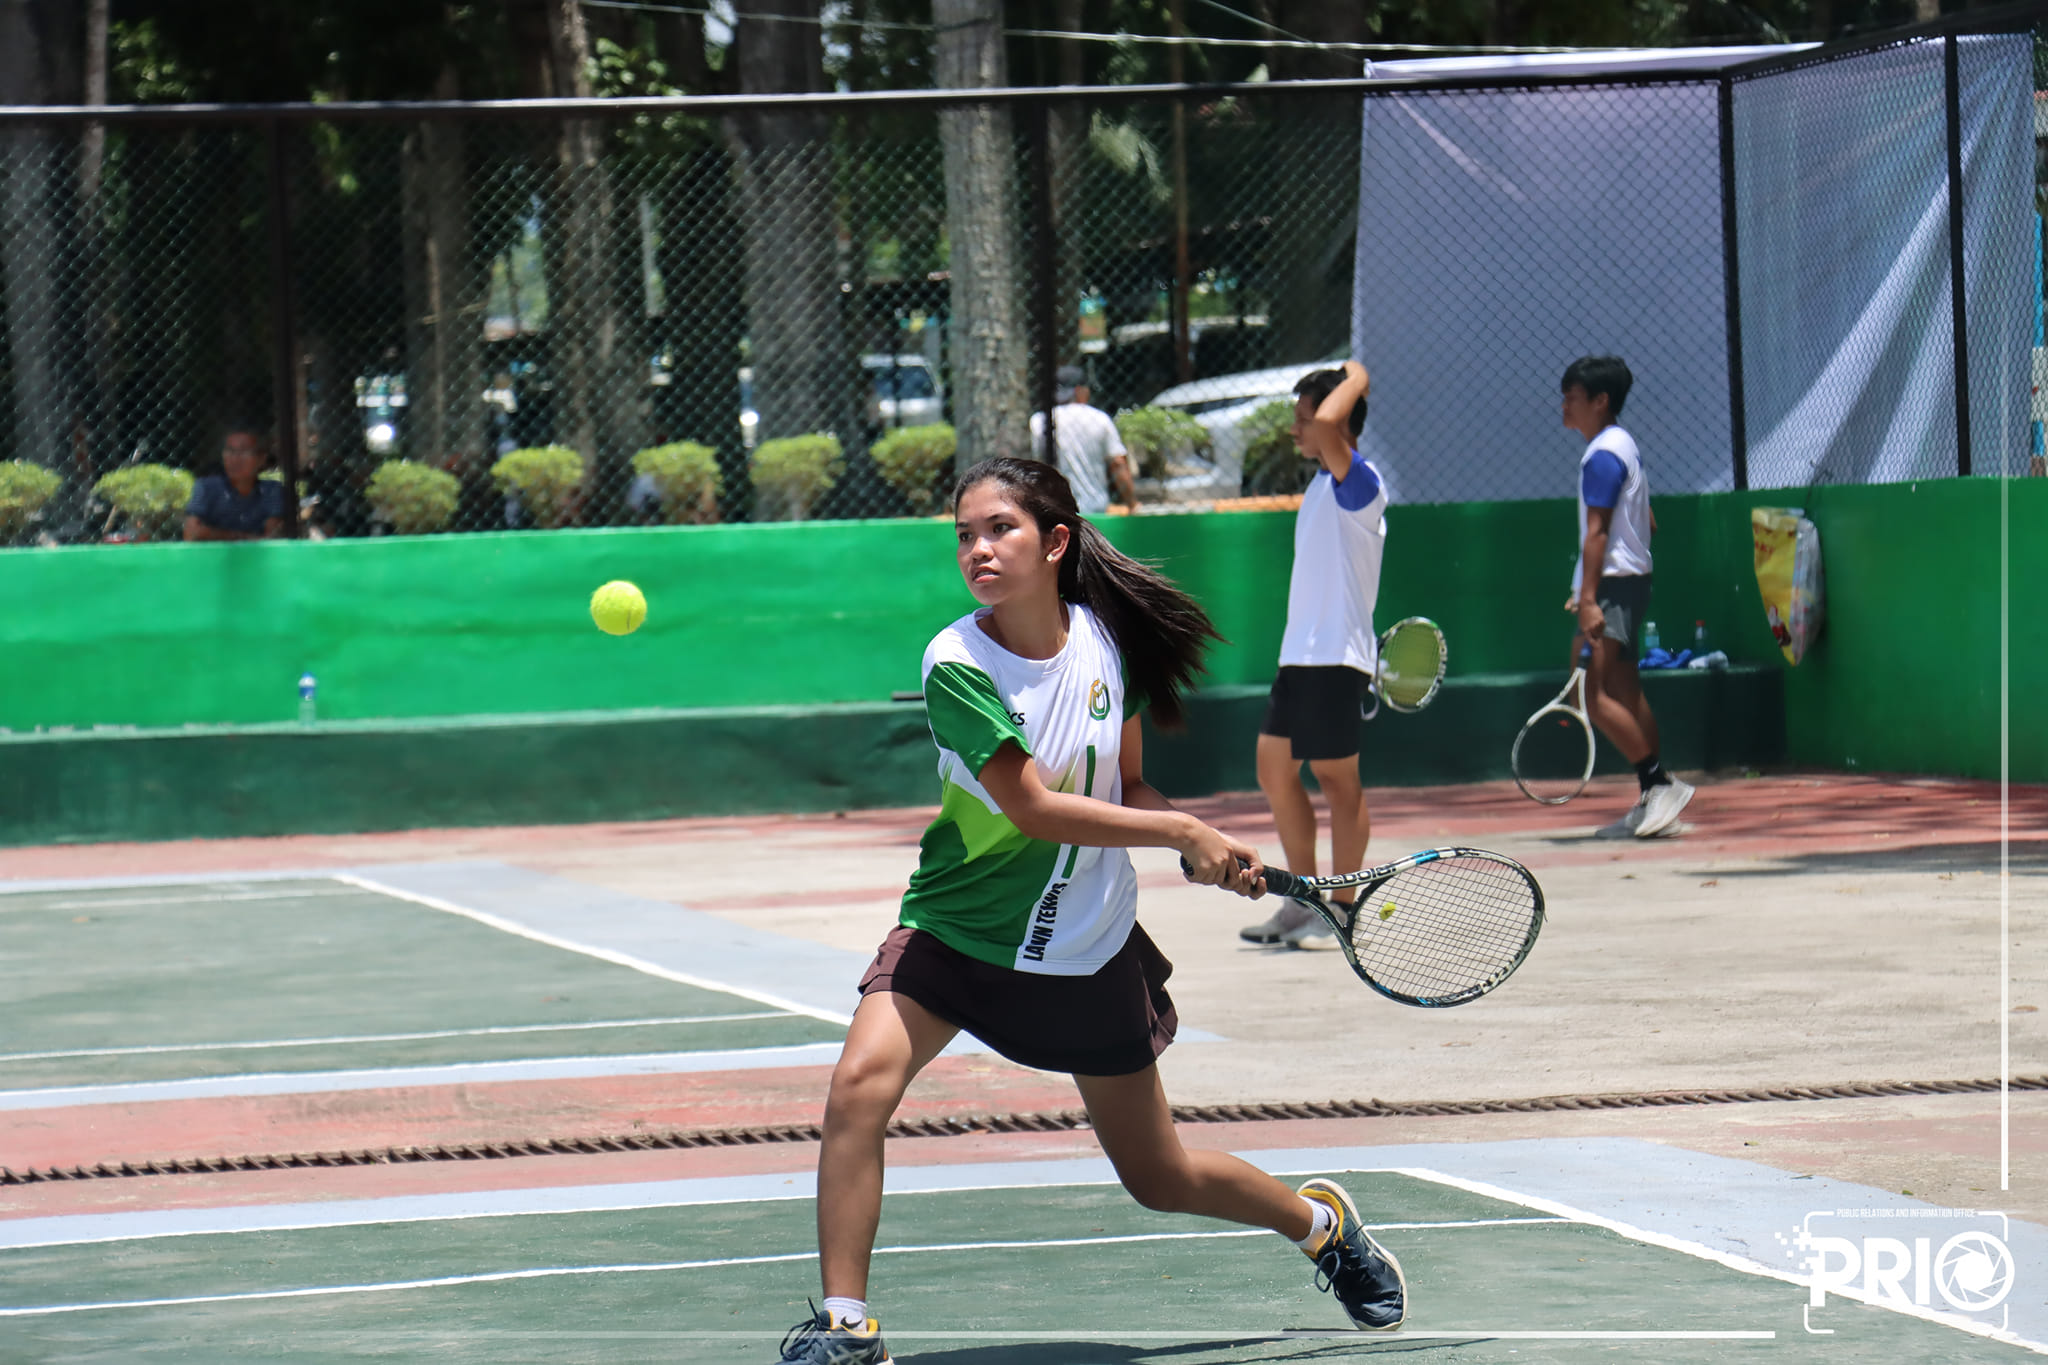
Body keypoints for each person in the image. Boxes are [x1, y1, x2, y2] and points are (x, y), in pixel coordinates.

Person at [773, 456, 1407, 1364]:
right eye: (965, 534)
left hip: (1087, 948)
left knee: (1161, 1176)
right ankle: (845, 1323)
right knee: (856, 1089)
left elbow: (1130, 783)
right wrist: (1182, 830)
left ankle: (1321, 1226)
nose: (978, 549)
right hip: (958, 932)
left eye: (1000, 529)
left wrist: (1198, 841)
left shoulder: (1109, 646)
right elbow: (1029, 804)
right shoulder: (956, 660)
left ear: (1056, 541)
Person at [1239, 361, 1387, 949]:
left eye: (1305, 418)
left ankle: (1344, 909)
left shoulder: (1363, 483)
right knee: (1274, 771)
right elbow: (1327, 424)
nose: (1298, 429)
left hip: (1337, 658)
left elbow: (1331, 421)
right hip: (1299, 656)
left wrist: (1358, 374)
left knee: (1337, 780)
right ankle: (1304, 902)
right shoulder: (1322, 486)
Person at [1559, 355, 1693, 837]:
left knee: (1593, 697)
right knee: (1627, 691)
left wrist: (1591, 596)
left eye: (1572, 398)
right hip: (1629, 584)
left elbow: (1596, 533)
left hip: (1614, 588)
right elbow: (1647, 522)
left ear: (1601, 401)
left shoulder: (1601, 456)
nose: (1563, 407)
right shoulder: (1624, 447)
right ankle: (1656, 805)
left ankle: (1659, 785)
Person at [1029, 364, 1139, 514]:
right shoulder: (1098, 419)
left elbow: (1037, 464)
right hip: (1095, 507)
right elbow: (1117, 463)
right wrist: (1131, 503)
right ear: (1080, 390)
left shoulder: (1039, 421)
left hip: (1055, 507)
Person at [183, 424, 288, 541]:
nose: (235, 458)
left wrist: (212, 533)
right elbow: (191, 532)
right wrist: (244, 537)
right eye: (230, 451)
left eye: (244, 451)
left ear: (261, 459)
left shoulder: (272, 490)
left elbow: (272, 539)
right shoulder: (205, 487)